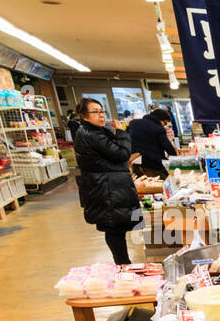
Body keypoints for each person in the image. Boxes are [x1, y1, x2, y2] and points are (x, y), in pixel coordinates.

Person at [73, 98, 140, 266]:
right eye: (95, 112)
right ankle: (123, 265)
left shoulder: (95, 131)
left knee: (115, 226)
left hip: (107, 185)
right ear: (84, 116)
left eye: (102, 111)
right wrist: (121, 132)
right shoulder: (92, 134)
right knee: (114, 227)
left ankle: (123, 263)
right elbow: (122, 154)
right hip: (106, 187)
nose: (101, 115)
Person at [125, 108, 177, 178]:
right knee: (161, 184)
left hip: (135, 163)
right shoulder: (158, 128)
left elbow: (125, 138)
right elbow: (168, 147)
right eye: (165, 123)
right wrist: (176, 160)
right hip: (153, 165)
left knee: (142, 185)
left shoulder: (133, 123)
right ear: (161, 120)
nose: (164, 126)